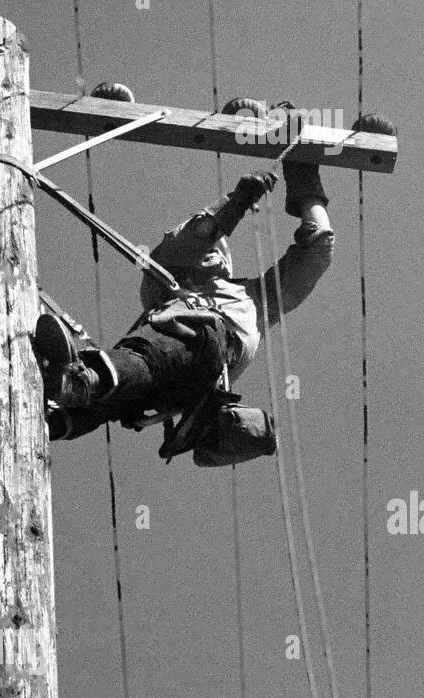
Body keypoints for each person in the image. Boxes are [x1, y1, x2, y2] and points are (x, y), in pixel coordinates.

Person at [35, 103, 393, 464]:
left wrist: (303, 175)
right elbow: (192, 238)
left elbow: (319, 245)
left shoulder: (252, 299)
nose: (212, 254)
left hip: (203, 362)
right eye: (208, 249)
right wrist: (235, 204)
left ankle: (76, 382)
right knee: (126, 387)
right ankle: (51, 418)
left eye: (218, 251)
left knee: (145, 360)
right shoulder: (163, 281)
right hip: (177, 373)